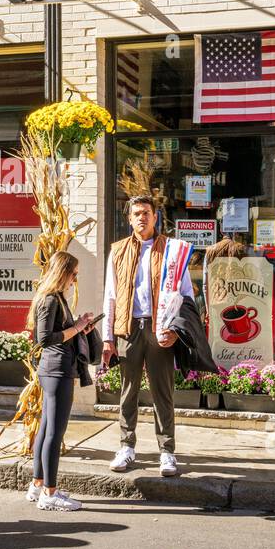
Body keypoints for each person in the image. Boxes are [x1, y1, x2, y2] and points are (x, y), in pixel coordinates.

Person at [101, 195, 196, 477]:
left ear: (156, 217)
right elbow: (110, 295)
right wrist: (108, 338)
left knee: (162, 392)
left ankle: (167, 451)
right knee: (128, 391)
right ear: (129, 219)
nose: (141, 217)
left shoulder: (172, 250)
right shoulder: (118, 251)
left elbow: (186, 295)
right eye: (136, 213)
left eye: (146, 212)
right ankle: (126, 446)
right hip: (129, 328)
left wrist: (177, 332)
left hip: (160, 329)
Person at [26, 251, 98, 511]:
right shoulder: (49, 299)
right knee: (54, 433)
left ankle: (37, 484)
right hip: (57, 370)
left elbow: (58, 333)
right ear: (63, 272)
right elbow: (44, 338)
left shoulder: (55, 299)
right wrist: (78, 327)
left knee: (46, 429)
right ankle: (50, 492)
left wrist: (81, 326)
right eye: (74, 274)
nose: (75, 280)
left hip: (56, 369)